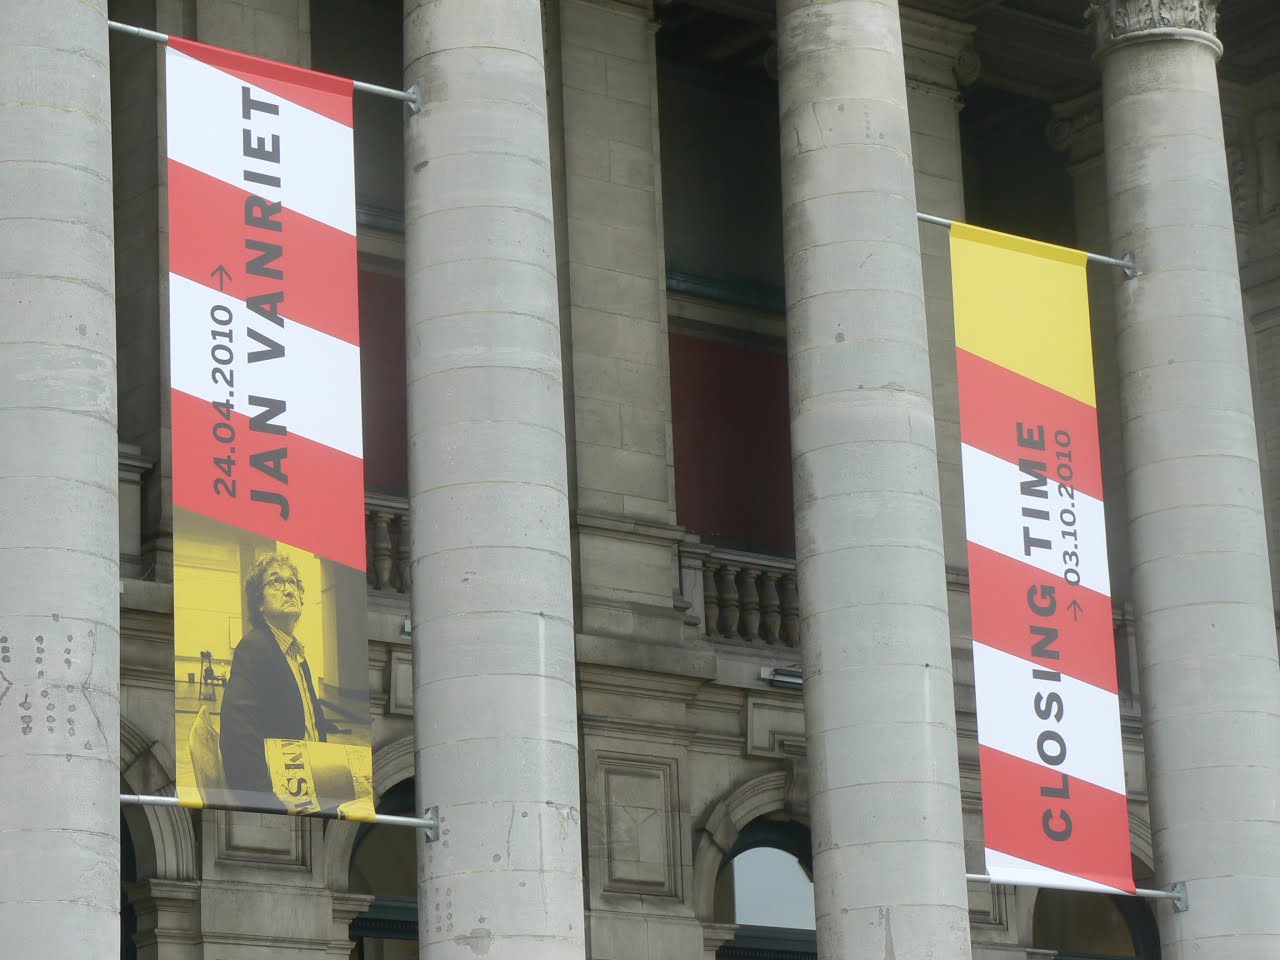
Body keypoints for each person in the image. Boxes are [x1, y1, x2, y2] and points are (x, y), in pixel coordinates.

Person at [220, 552, 332, 806]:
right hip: (279, 797)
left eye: (293, 583)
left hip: (306, 790)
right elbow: (238, 732)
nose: (289, 590)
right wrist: (263, 799)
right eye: (277, 582)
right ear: (259, 603)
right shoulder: (254, 647)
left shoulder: (296, 653)